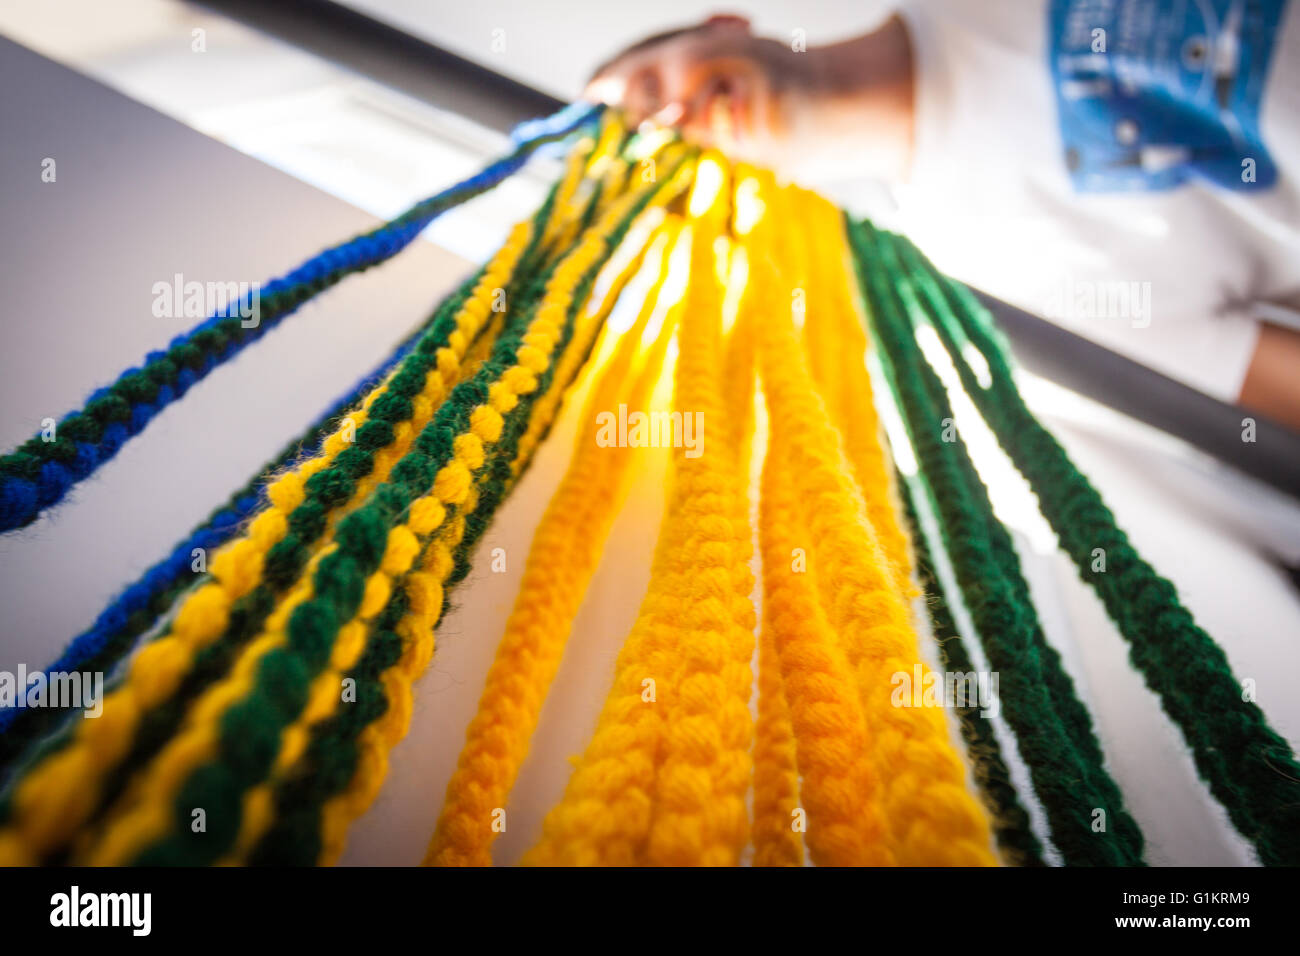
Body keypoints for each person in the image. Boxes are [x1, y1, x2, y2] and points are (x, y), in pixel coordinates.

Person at [584, 3, 1300, 432]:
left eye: (651, 90)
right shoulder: (982, 284)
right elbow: (1272, 375)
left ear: (721, 23)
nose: (678, 119)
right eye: (662, 146)